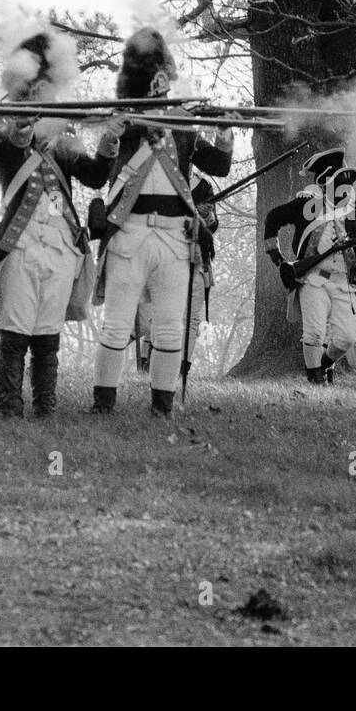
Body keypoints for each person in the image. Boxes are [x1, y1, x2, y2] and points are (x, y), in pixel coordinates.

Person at [89, 28, 232, 418]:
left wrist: (223, 131)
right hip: (130, 230)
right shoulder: (126, 121)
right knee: (117, 324)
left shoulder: (183, 125)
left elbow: (218, 165)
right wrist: (111, 138)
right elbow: (100, 173)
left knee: (170, 327)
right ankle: (104, 403)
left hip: (174, 237)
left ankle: (162, 405)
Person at [0, 29, 118, 418]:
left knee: (47, 334)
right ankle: (10, 409)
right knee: (15, 332)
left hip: (60, 244)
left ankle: (46, 408)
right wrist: (20, 134)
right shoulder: (7, 129)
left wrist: (108, 146)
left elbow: (92, 177)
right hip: (20, 244)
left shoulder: (62, 133)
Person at [264, 149, 356, 384]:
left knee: (346, 338)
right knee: (314, 333)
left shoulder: (354, 213)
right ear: (325, 184)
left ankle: (324, 365)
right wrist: (277, 257)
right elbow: (273, 218)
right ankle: (315, 381)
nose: (345, 189)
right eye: (338, 182)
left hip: (345, 281)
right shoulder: (306, 204)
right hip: (313, 279)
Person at [136, 174, 218, 377]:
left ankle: (182, 368)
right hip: (163, 255)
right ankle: (147, 362)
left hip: (195, 258)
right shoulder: (158, 176)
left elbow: (212, 227)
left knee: (191, 319)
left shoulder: (204, 186)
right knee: (157, 314)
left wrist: (205, 216)